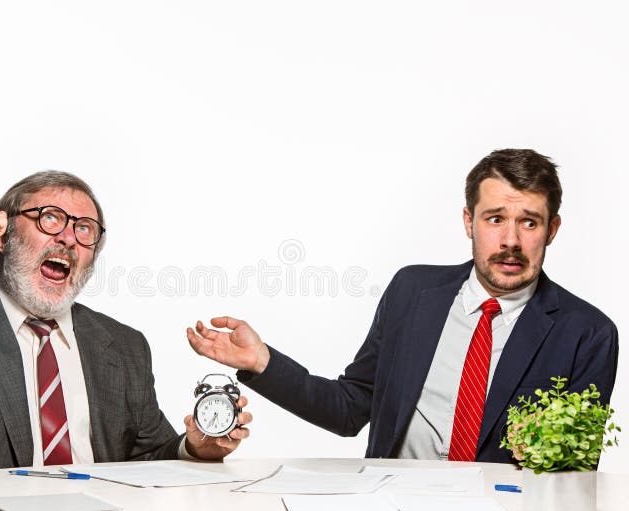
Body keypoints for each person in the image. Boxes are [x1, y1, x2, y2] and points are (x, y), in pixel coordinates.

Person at [187, 149, 618, 464]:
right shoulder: (413, 293)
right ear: (468, 221)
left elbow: (573, 469)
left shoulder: (587, 334)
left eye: (529, 221)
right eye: (494, 219)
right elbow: (351, 407)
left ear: (552, 229)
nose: (510, 241)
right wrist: (263, 363)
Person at [0, 170, 251, 475]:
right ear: (2, 237)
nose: (69, 237)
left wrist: (195, 448)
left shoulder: (124, 345)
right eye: (50, 218)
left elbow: (150, 458)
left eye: (85, 228)